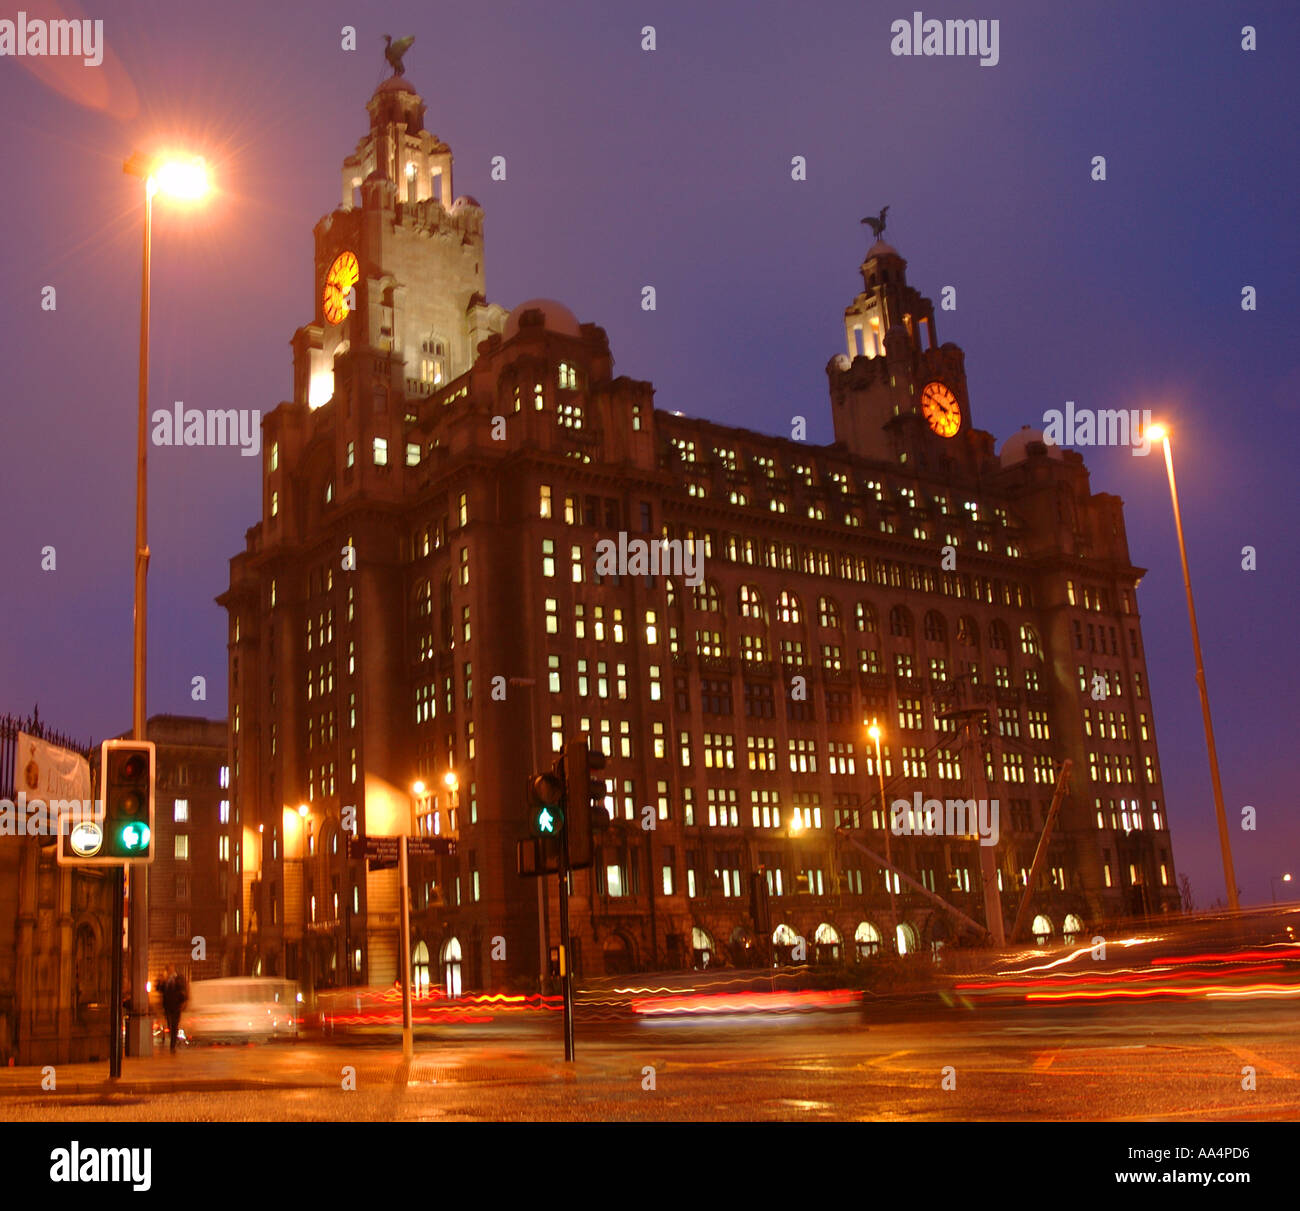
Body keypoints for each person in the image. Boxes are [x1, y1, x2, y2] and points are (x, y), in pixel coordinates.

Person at [160, 964, 188, 1053]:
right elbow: (161, 990)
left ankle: (173, 1045)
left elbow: (183, 989)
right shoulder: (165, 980)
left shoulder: (178, 979)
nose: (169, 971)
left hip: (176, 1006)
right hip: (167, 1007)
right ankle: (173, 1041)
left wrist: (183, 1002)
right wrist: (162, 981)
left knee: (174, 1025)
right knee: (170, 1025)